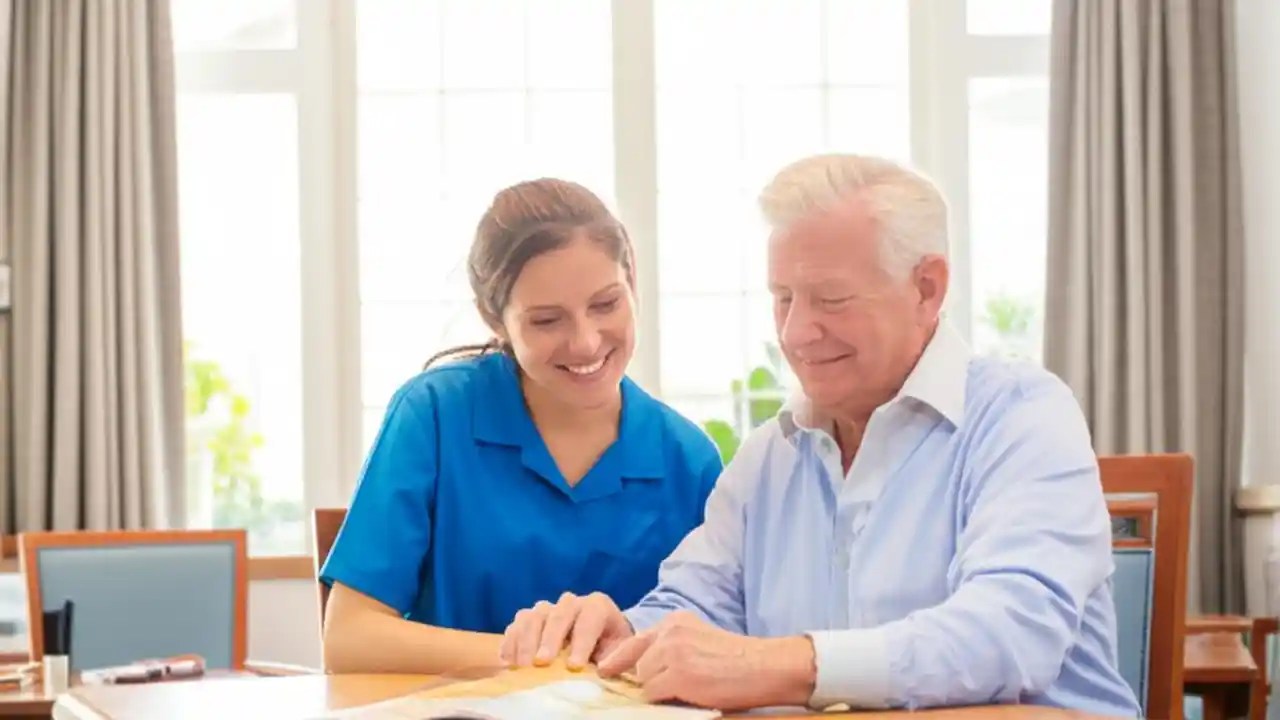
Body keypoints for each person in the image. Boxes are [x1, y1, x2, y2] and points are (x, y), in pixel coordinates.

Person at [499, 154, 1142, 717]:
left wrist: (780, 666)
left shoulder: (1022, 416)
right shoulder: (769, 456)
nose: (797, 333)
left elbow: (1012, 631)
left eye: (831, 300)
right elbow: (696, 604)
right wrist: (621, 636)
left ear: (927, 287)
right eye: (783, 299)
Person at [320, 178, 723, 674]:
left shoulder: (689, 460)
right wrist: (540, 662)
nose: (586, 342)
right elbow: (349, 638)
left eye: (605, 304)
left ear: (632, 281)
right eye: (547, 320)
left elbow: (719, 637)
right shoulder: (433, 416)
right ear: (495, 318)